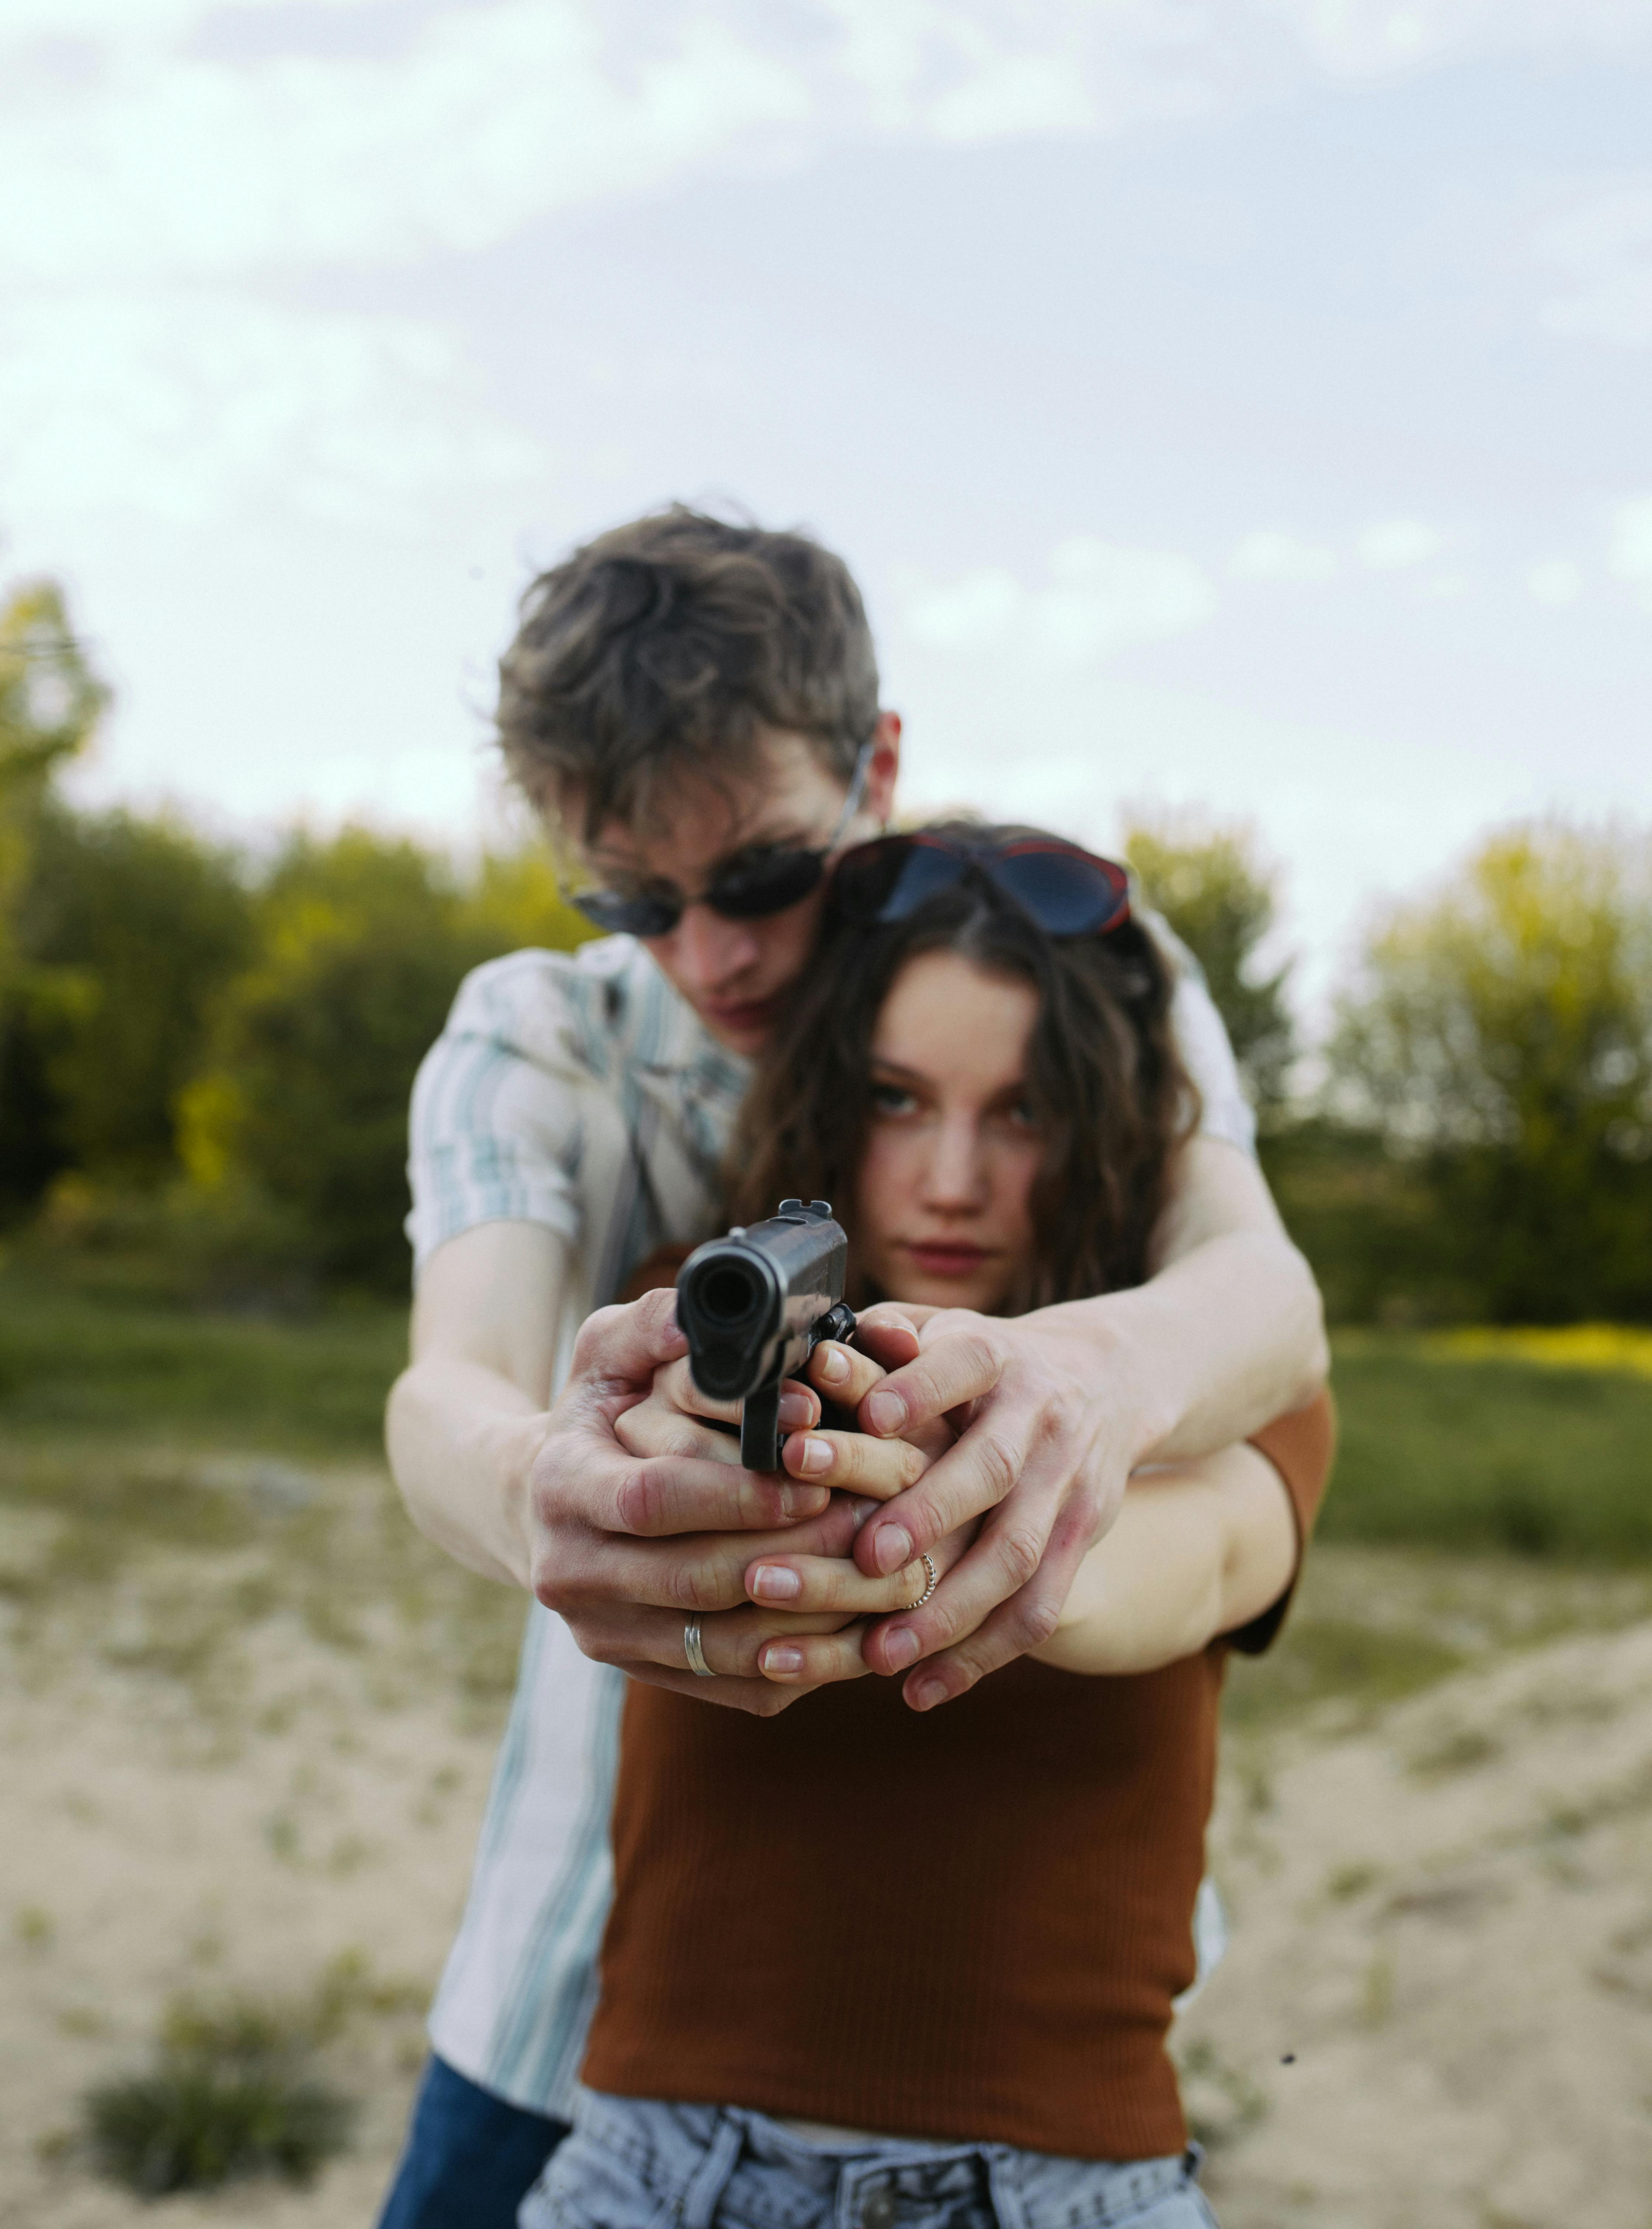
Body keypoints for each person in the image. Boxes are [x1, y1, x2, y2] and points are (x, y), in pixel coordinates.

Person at [377, 511, 1327, 2226]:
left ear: (876, 762)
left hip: (1030, 2053)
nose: (712, 956)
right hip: (570, 2006)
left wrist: (1075, 1388)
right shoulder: (536, 1033)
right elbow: (452, 1387)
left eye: (755, 875)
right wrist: (540, 1494)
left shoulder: (1074, 952)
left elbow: (1258, 1294)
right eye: (630, 899)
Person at [520, 823, 1336, 2229]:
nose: (953, 1176)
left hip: (1058, 2190)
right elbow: (633, 1479)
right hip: (652, 2167)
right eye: (900, 1100)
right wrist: (698, 1467)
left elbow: (1183, 1567)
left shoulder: (1219, 1391)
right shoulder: (699, 1308)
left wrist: (935, 1488)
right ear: (835, 1100)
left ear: (1104, 1131)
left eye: (1020, 1112)